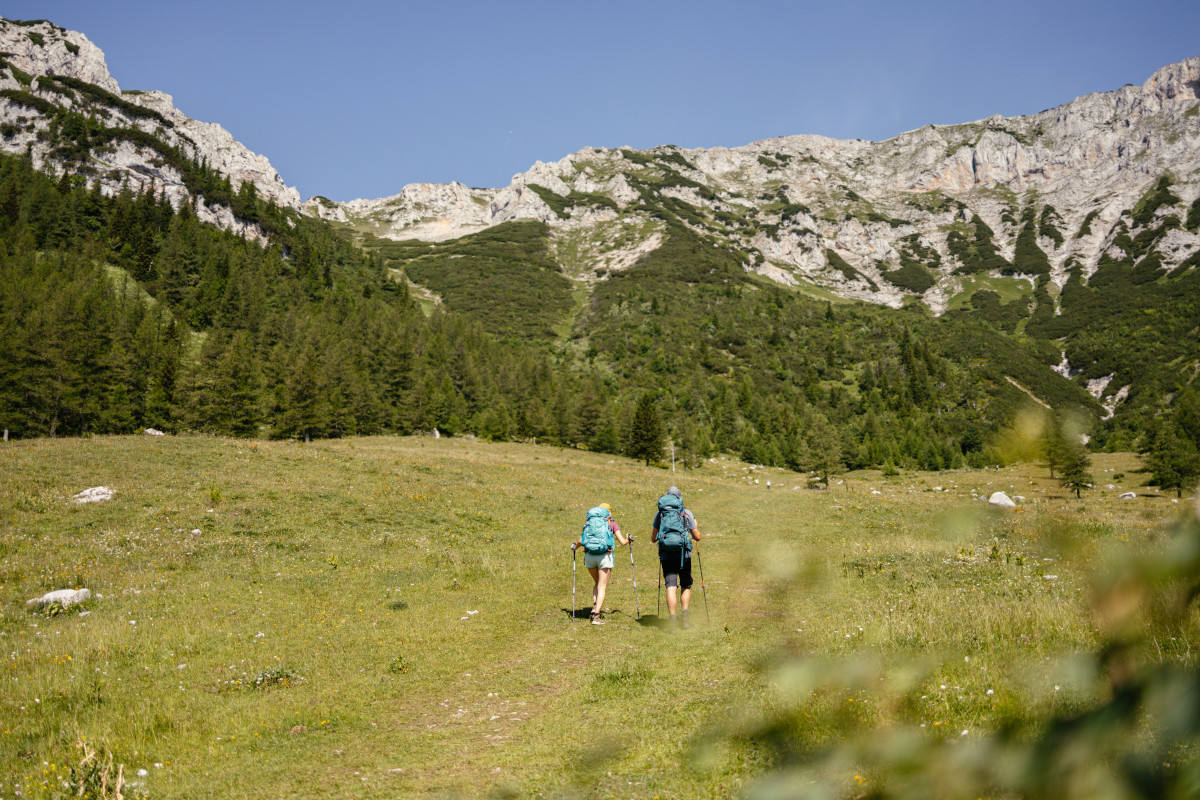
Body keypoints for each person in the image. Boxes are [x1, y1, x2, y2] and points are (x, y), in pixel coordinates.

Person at [570, 502, 630, 625]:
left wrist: (574, 548)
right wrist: (629, 539)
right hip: (604, 556)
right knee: (602, 586)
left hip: (590, 557)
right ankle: (596, 615)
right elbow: (623, 542)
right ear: (608, 512)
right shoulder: (611, 523)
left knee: (597, 583)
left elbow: (581, 540)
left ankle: (594, 607)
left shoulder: (589, 523)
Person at [652, 486, 700, 630]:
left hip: (666, 555)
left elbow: (653, 538)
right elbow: (697, 537)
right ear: (679, 498)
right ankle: (684, 620)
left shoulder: (660, 514)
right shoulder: (686, 513)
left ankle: (672, 622)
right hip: (684, 555)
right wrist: (695, 526)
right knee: (686, 585)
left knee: (671, 586)